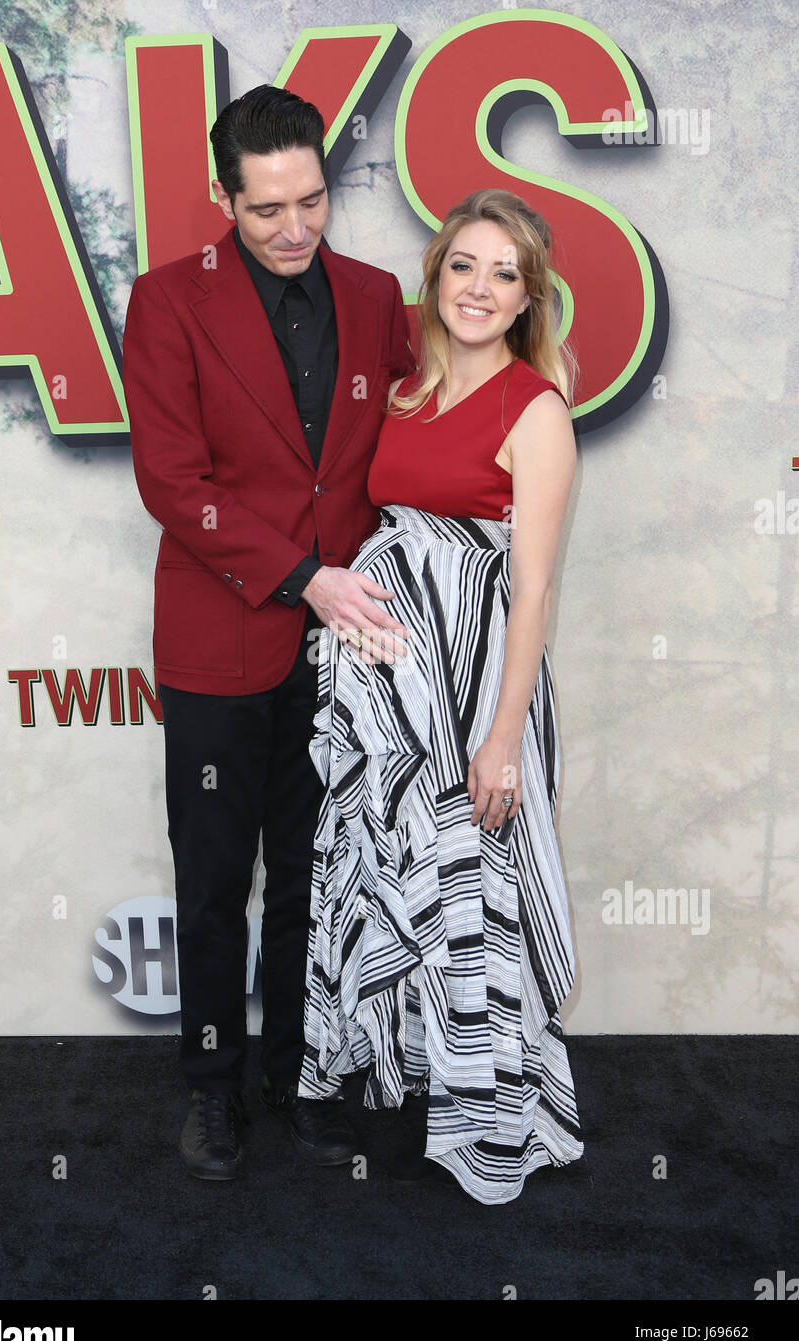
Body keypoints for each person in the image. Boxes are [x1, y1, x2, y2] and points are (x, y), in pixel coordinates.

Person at [122, 85, 415, 1180]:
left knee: (314, 876)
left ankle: (302, 1075)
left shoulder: (378, 295)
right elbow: (173, 481)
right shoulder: (166, 301)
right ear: (223, 196)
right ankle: (213, 1088)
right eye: (267, 209)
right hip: (223, 635)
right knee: (212, 880)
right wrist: (304, 578)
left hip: (347, 650)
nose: (296, 229)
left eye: (313, 201)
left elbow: (415, 428)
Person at [299, 188, 585, 1204]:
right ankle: (415, 1075)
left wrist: (501, 739)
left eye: (505, 274)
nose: (479, 287)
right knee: (391, 875)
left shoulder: (536, 412)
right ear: (437, 277)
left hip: (473, 693)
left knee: (476, 892)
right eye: (464, 264)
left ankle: (493, 1122)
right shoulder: (403, 392)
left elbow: (533, 589)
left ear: (527, 299)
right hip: (390, 689)